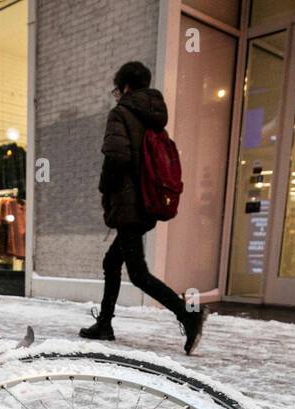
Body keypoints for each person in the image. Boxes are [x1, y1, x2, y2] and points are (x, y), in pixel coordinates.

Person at [80, 61, 206, 355]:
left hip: (129, 205)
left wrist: (105, 187)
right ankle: (105, 324)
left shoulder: (121, 113)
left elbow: (117, 156)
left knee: (138, 273)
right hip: (148, 202)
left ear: (125, 86)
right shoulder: (153, 117)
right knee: (112, 262)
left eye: (117, 88)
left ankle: (188, 314)